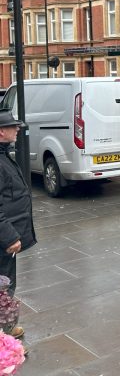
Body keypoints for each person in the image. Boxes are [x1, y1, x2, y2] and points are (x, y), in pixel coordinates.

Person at [0, 110, 36, 339]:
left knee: (5, 282)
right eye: (13, 126)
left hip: (7, 236)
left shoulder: (3, 155)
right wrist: (9, 236)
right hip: (4, 238)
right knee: (3, 285)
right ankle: (4, 335)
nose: (18, 129)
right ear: (1, 132)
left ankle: (6, 328)